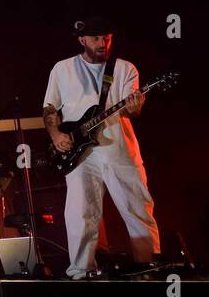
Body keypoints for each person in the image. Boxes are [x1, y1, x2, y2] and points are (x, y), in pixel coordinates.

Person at [43, 15, 160, 279]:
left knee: (138, 210)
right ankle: (81, 272)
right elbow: (50, 108)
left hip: (121, 151)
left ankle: (149, 267)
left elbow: (132, 110)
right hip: (82, 154)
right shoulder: (62, 69)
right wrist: (55, 134)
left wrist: (135, 107)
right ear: (82, 39)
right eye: (96, 38)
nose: (102, 43)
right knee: (81, 213)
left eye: (107, 38)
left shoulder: (125, 69)